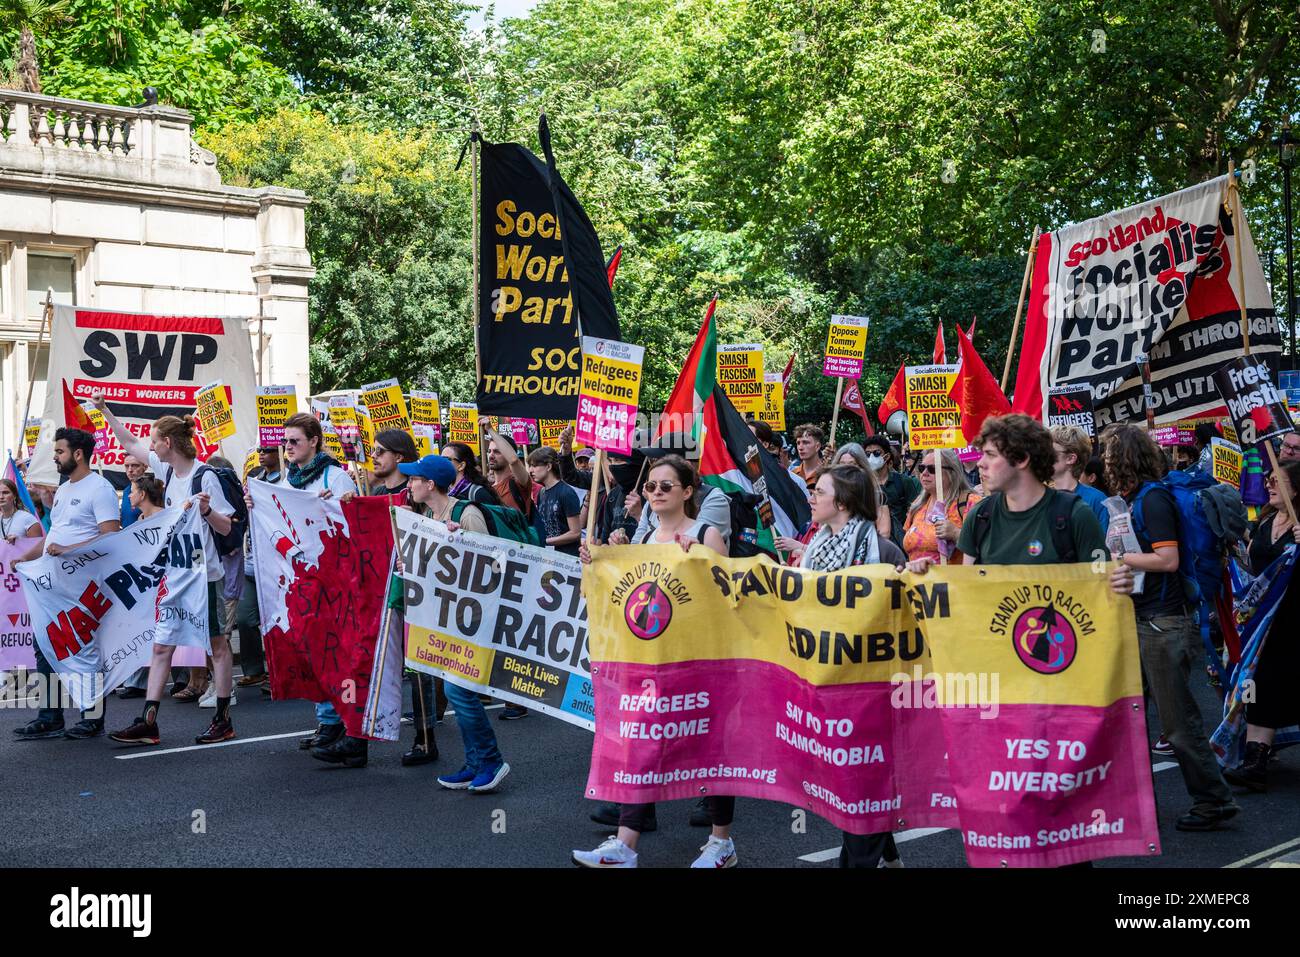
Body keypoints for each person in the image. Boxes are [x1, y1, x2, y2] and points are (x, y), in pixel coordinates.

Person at [573, 455, 735, 868]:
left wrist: (701, 557)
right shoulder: (641, 544)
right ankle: (626, 844)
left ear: (687, 491)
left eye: (666, 486)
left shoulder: (707, 533)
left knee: (708, 748)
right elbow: (611, 599)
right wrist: (595, 568)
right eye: (651, 487)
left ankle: (721, 842)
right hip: (649, 666)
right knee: (639, 747)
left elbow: (731, 598)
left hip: (700, 663)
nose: (657, 493)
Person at [1103, 424, 1240, 830]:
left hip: (1163, 623)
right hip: (1146, 619)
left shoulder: (1154, 498)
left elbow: (1167, 560)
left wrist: (1120, 559)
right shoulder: (1135, 499)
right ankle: (1133, 798)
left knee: (1178, 724)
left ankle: (1214, 801)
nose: (1106, 463)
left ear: (1125, 458)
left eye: (1111, 456)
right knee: (1130, 716)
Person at [94, 398, 239, 747]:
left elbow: (227, 529)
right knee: (161, 648)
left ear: (168, 443)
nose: (150, 445)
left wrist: (206, 512)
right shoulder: (168, 472)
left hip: (204, 577)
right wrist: (105, 412)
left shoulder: (205, 476)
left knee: (217, 645)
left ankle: (222, 718)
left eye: (154, 439)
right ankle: (149, 721)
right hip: (175, 575)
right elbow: (129, 444)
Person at [799, 464, 909, 868]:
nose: (811, 497)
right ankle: (890, 856)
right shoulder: (813, 549)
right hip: (827, 682)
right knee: (849, 778)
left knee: (861, 779)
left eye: (819, 491)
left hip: (873, 690)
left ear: (841, 502)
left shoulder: (883, 552)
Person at [395, 454, 512, 792]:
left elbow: (494, 565)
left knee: (458, 691)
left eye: (415, 479)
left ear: (430, 484)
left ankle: (490, 760)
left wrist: (461, 544)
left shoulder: (467, 513)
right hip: (453, 620)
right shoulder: (431, 515)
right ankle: (475, 762)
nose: (410, 484)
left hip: (476, 620)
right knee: (455, 691)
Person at [249, 412, 358, 753]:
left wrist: (336, 506)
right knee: (311, 651)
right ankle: (327, 720)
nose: (288, 447)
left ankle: (346, 718)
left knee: (336, 653)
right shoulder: (282, 484)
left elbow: (351, 521)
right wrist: (255, 505)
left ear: (314, 441)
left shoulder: (336, 477)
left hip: (334, 581)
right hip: (301, 583)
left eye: (294, 441)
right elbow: (275, 522)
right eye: (285, 442)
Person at [13, 428, 121, 740]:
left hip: (82, 587)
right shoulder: (63, 490)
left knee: (84, 649)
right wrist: (25, 557)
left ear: (78, 454)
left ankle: (93, 718)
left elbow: (112, 536)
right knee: (45, 645)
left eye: (59, 451)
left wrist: (70, 551)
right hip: (53, 586)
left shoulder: (99, 488)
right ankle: (50, 717)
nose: (55, 457)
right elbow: (53, 538)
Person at [365, 428, 448, 764]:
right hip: (380, 588)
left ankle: (426, 738)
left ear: (398, 456)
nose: (373, 456)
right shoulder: (371, 490)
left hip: (416, 591)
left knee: (419, 667)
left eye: (380, 451)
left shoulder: (413, 497)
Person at [1224, 460, 1300, 791]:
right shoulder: (1266, 521)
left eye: (1276, 481)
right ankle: (1255, 761)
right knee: (1257, 686)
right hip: (1264, 626)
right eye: (1268, 479)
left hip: (1295, 621)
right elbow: (1250, 567)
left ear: (1295, 488)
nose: (1268, 485)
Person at [235, 447, 282, 692]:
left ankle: (281, 673)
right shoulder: (255, 480)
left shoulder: (285, 479)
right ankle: (254, 670)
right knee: (244, 618)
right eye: (260, 450)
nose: (262, 454)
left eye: (269, 450)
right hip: (251, 563)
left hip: (275, 566)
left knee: (278, 622)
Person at [901, 449, 979, 565]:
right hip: (919, 582)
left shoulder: (970, 503)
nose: (925, 473)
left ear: (952, 472)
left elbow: (987, 547)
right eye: (922, 468)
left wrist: (957, 534)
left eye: (933, 469)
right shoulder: (917, 505)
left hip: (955, 581)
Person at [862, 434, 920, 550]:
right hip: (870, 543)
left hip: (900, 544)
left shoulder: (903, 481)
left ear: (887, 456)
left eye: (877, 453)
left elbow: (916, 512)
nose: (871, 457)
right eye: (867, 454)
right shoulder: (862, 484)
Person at [1050, 425, 1108, 532]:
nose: (1044, 456)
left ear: (1071, 458)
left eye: (1050, 451)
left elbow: (1103, 546)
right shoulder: (1041, 499)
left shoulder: (1098, 500)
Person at [527, 446, 582, 557]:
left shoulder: (566, 492)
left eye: (535, 465)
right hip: (548, 558)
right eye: (530, 466)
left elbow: (576, 533)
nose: (530, 470)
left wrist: (545, 541)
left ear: (548, 466)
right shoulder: (541, 493)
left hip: (567, 559)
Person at [834, 442, 893, 543]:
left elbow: (884, 533)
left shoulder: (875, 495)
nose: (846, 469)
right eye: (842, 464)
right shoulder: (830, 494)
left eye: (852, 464)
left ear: (862, 467)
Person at [485, 428, 533, 517]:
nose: (491, 455)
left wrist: (490, 429)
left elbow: (514, 460)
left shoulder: (518, 482)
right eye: (489, 451)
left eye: (497, 452)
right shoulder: (487, 488)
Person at [442, 442, 500, 507]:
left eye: (446, 459)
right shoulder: (445, 492)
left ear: (461, 466)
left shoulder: (478, 494)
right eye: (440, 459)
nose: (441, 462)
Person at [0, 478, 43, 545]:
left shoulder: (28, 519)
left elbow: (39, 549)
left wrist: (20, 542)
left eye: (5, 493)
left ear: (14, 496)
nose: (1, 497)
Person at [789, 424, 825, 491]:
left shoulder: (827, 474)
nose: (800, 447)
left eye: (805, 442)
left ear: (817, 446)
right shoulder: (792, 474)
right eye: (798, 443)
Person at [120, 454, 146, 527]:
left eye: (135, 465)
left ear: (145, 466)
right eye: (127, 466)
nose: (130, 470)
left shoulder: (152, 489)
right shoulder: (126, 491)